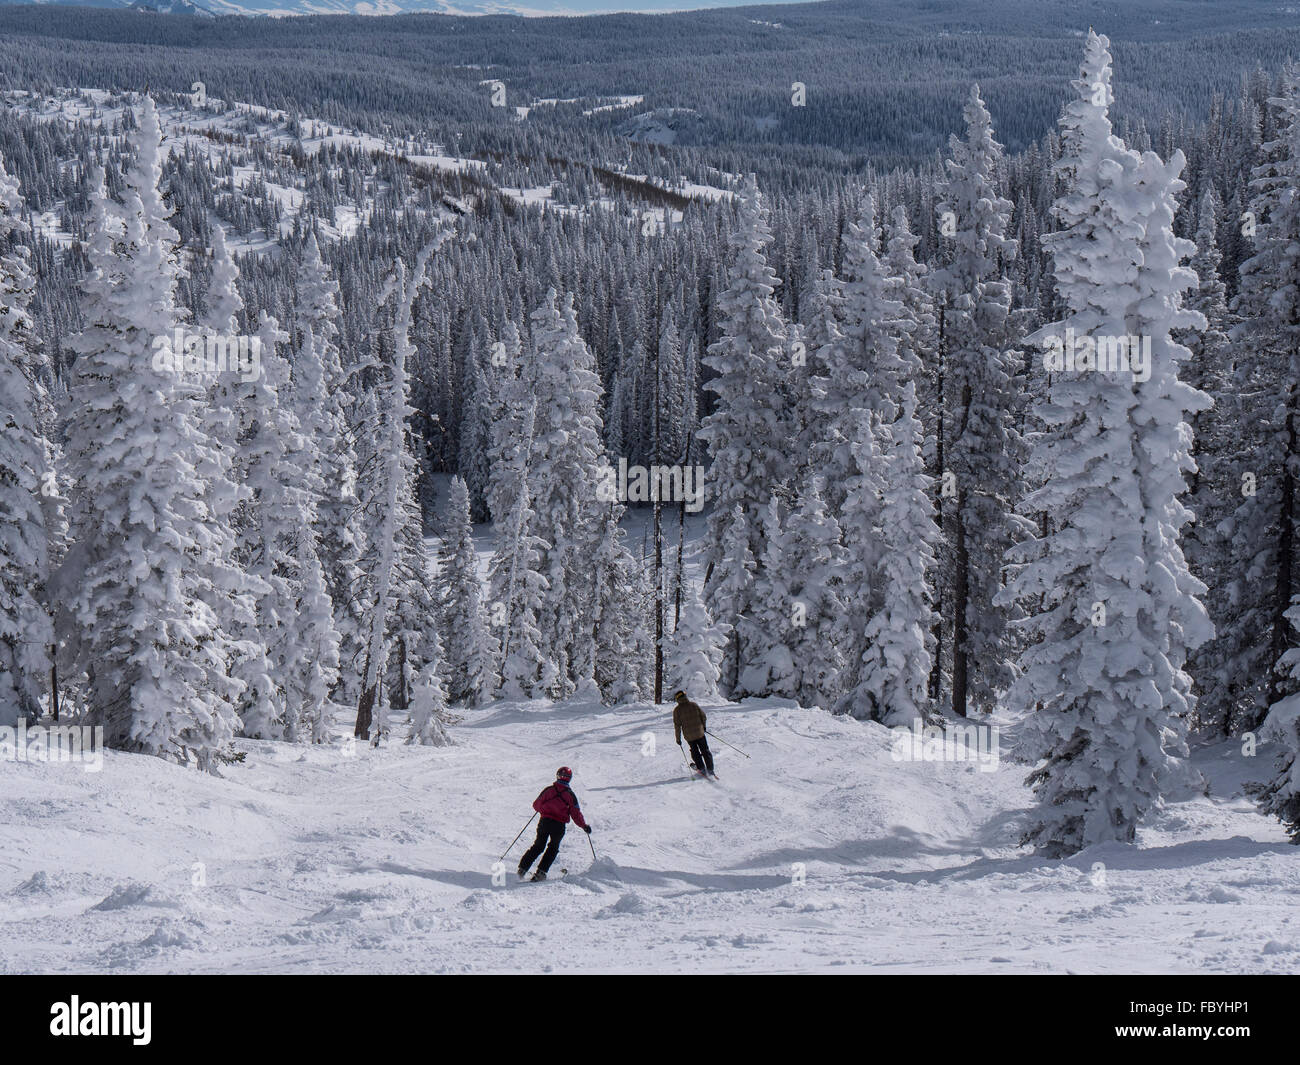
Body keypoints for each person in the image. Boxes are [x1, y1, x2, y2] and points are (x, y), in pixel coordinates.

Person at [518, 766, 590, 881]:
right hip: (559, 825)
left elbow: (536, 805)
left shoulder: (549, 790)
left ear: (557, 775)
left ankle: (522, 870)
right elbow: (575, 813)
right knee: (553, 848)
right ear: (569, 779)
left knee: (538, 846)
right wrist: (584, 826)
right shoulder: (570, 795)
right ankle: (541, 873)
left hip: (545, 822)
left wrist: (546, 810)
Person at [673, 689, 715, 778]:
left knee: (695, 752)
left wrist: (678, 738)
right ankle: (710, 769)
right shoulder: (693, 705)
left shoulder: (677, 710)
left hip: (689, 736)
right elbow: (703, 716)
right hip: (700, 733)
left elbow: (677, 726)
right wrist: (703, 727)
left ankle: (701, 768)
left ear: (677, 699)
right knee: (705, 750)